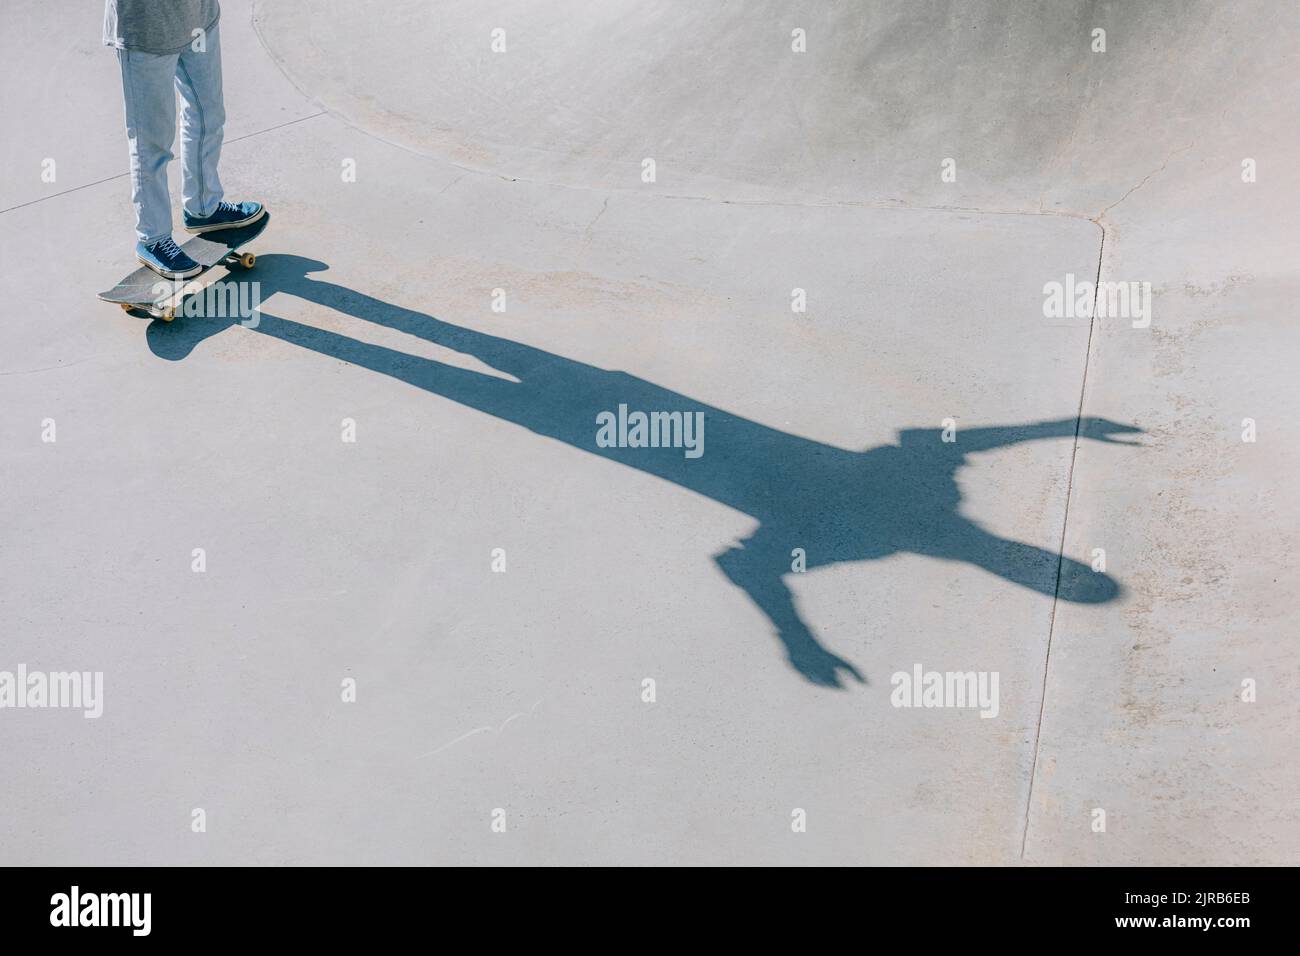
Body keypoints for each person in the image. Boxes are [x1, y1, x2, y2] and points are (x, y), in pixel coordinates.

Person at [104, 0, 265, 278]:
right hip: (145, 32)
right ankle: (153, 239)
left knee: (208, 117)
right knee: (151, 144)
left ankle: (204, 207)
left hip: (198, 20)